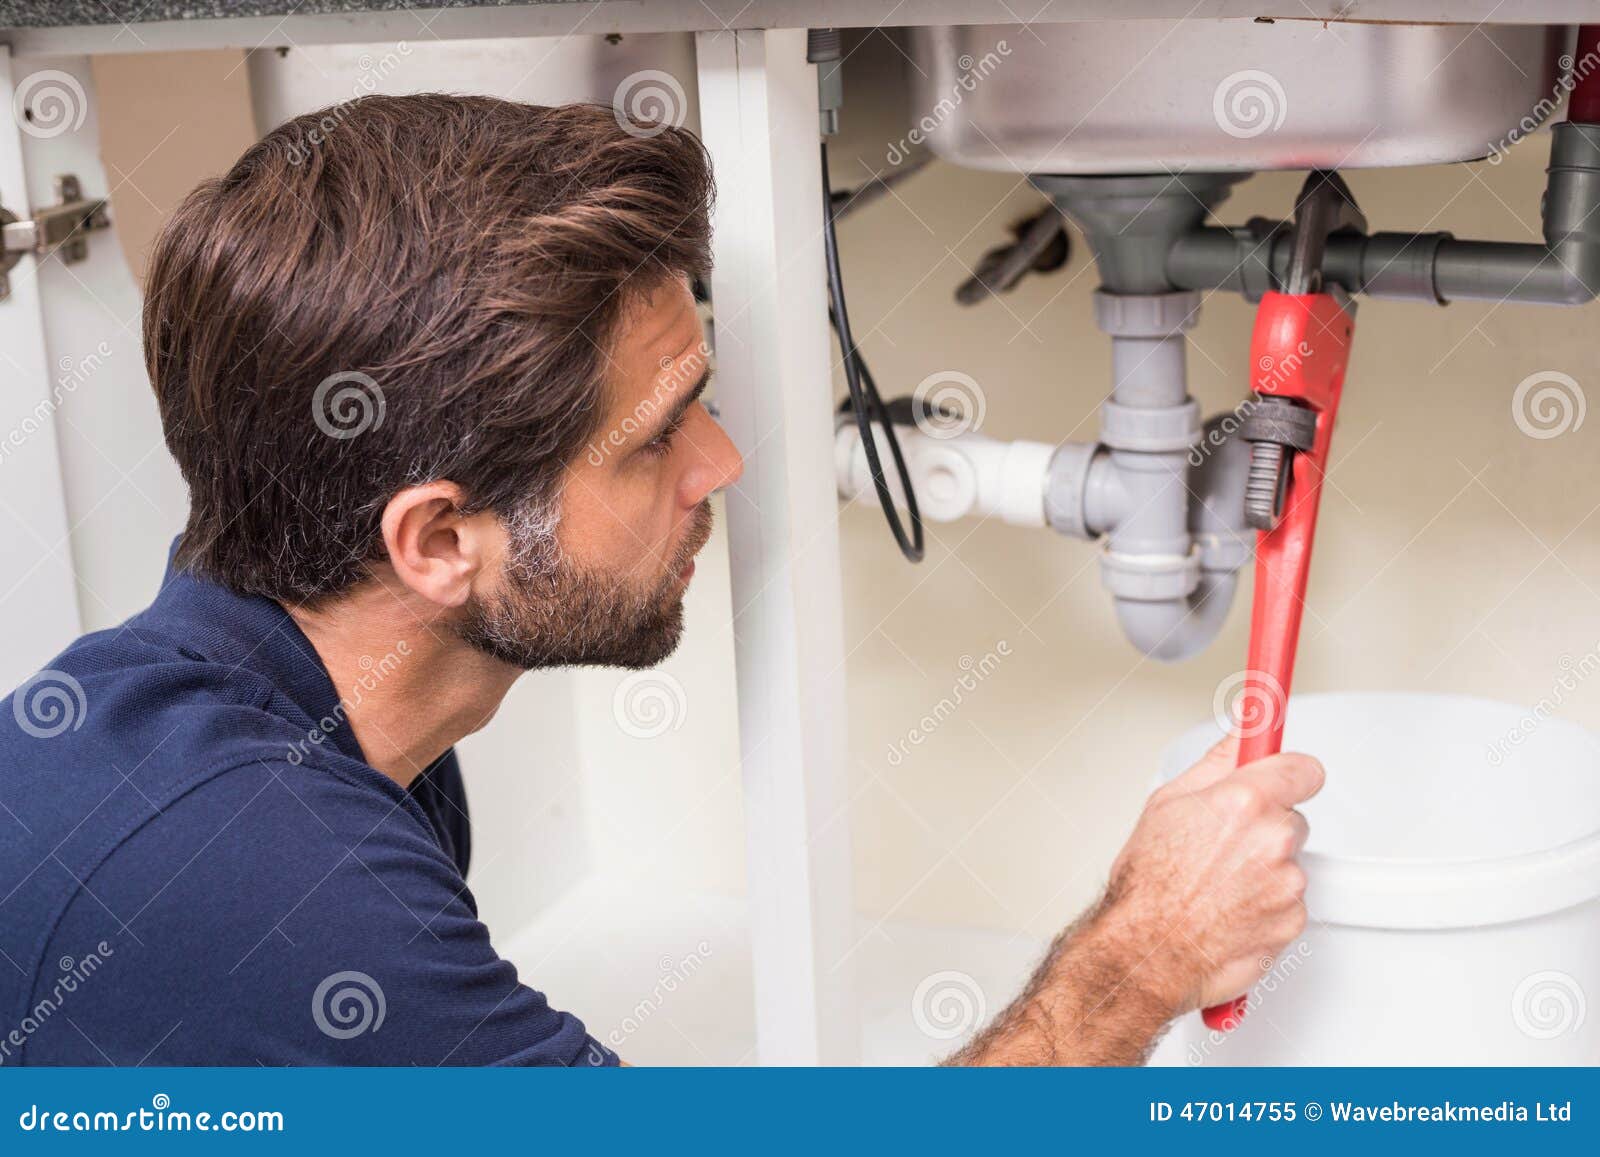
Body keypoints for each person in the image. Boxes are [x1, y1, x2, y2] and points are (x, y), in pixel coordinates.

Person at [0, 94, 1319, 1066]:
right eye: (658, 435)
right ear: (438, 541)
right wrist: (1138, 956)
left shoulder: (306, 709)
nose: (725, 461)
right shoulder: (270, 881)